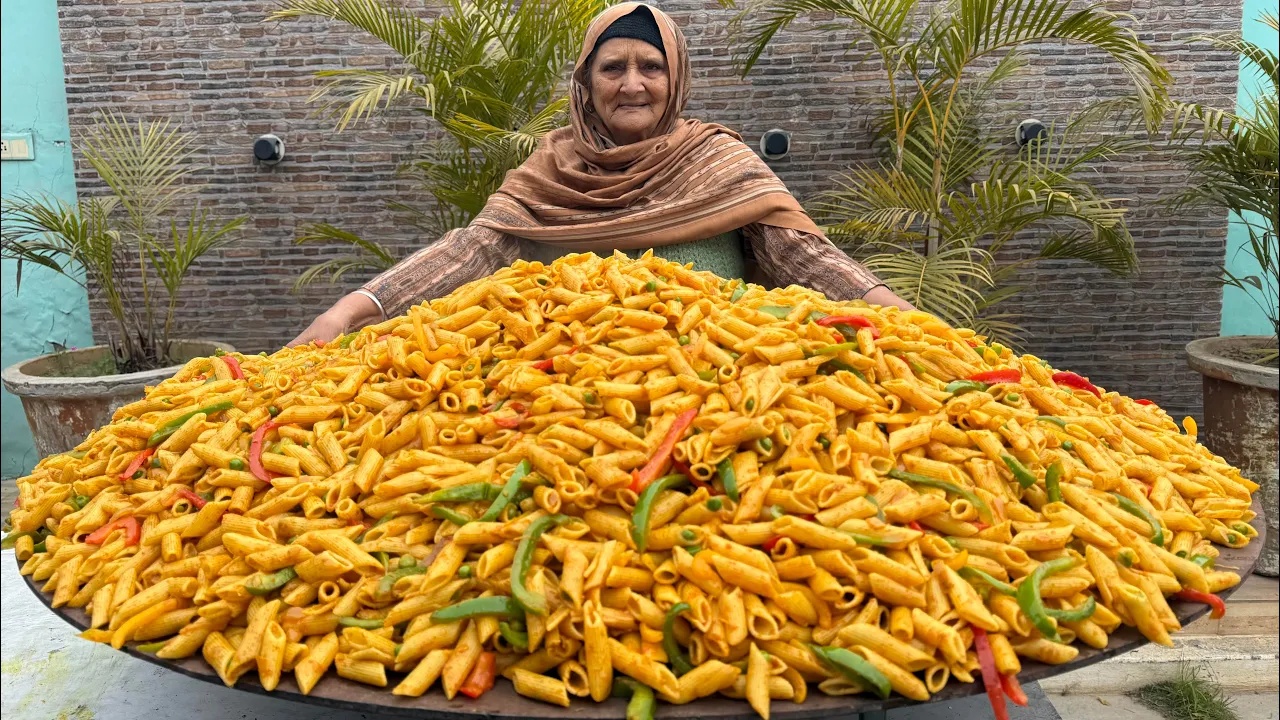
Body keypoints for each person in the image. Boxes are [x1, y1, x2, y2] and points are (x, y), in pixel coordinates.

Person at [289, 2, 912, 347]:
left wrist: (893, 311)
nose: (633, 84)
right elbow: (470, 253)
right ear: (587, 82)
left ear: (676, 80)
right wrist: (352, 310)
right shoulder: (551, 169)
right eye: (613, 67)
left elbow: (802, 257)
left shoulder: (718, 161)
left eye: (651, 66)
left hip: (718, 377)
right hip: (567, 393)